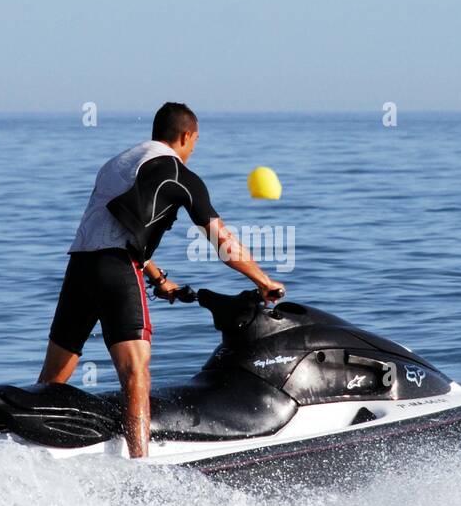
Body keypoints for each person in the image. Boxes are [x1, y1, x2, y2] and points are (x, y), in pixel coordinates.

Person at [39, 102, 286, 458]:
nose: (193, 150)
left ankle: (32, 445)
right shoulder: (179, 175)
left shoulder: (118, 164)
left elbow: (116, 226)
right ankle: (140, 466)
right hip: (117, 270)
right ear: (185, 136)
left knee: (53, 377)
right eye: (195, 142)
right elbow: (223, 243)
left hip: (80, 268)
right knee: (135, 373)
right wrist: (263, 281)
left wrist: (157, 277)